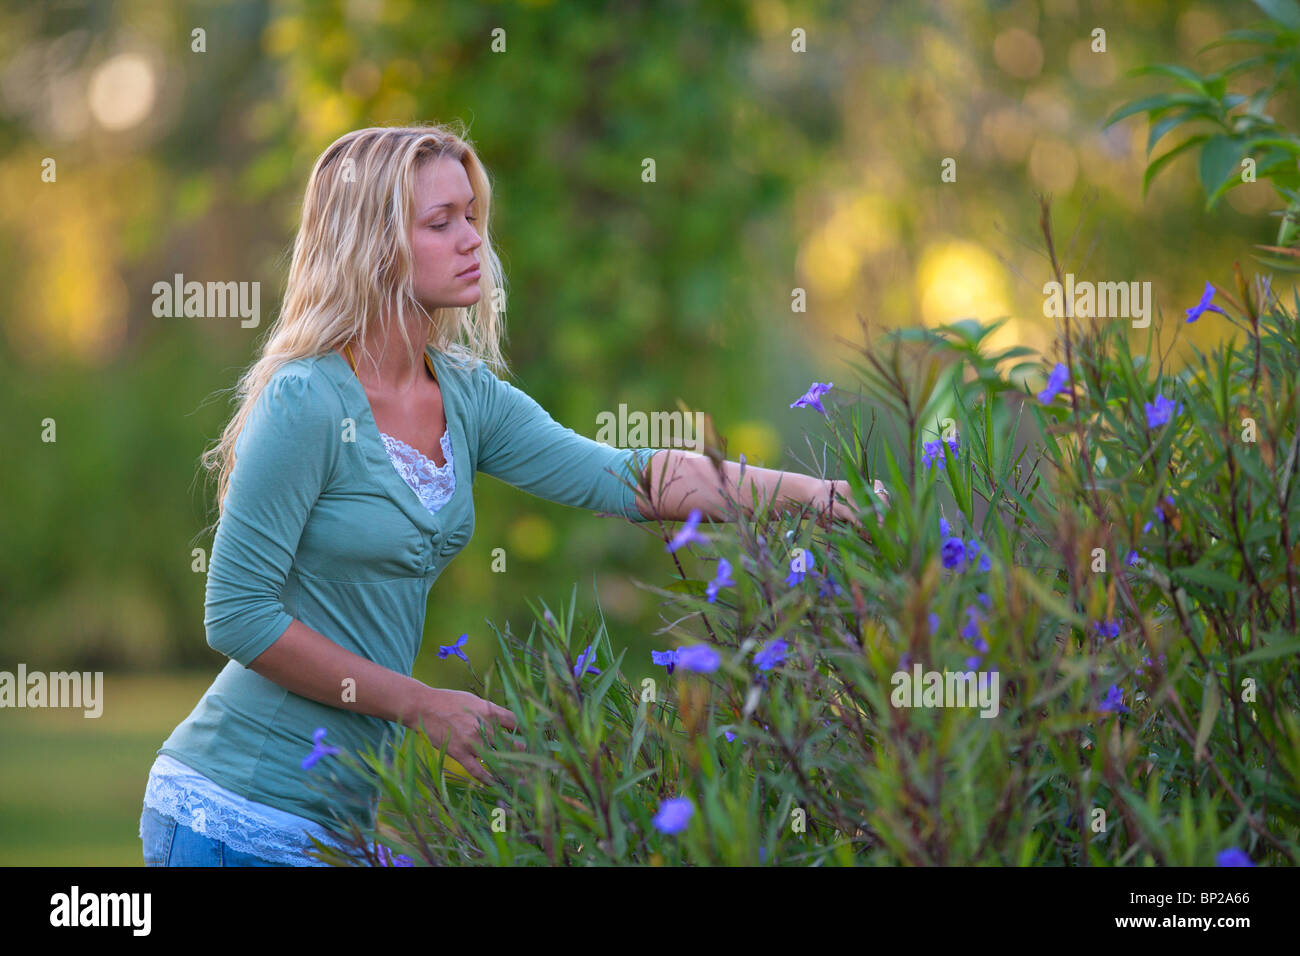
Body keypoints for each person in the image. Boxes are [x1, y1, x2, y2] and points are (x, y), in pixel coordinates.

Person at [138, 123, 887, 867]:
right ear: (373, 245)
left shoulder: (467, 398)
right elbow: (237, 616)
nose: (473, 241)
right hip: (231, 815)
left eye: (471, 216)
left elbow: (630, 477)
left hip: (339, 827)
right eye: (441, 223)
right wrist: (422, 704)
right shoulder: (306, 401)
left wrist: (822, 497)